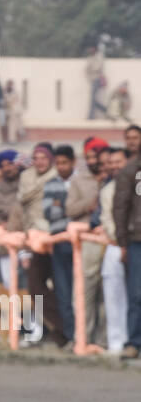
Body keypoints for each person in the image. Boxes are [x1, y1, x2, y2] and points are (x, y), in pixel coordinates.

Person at [8, 142, 62, 347]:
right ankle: (58, 326)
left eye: (44, 158)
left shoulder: (58, 179)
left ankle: (63, 330)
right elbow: (22, 207)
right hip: (32, 237)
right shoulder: (26, 179)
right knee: (34, 287)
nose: (40, 162)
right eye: (36, 158)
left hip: (55, 236)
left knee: (62, 287)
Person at [68, 138, 108, 345]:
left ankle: (103, 341)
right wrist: (89, 203)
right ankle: (82, 338)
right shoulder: (78, 180)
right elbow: (70, 210)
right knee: (84, 293)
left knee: (107, 294)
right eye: (90, 157)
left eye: (97, 156)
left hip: (110, 241)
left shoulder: (114, 177)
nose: (94, 161)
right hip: (87, 241)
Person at [43, 145, 77, 347]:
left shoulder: (81, 181)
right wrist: (71, 207)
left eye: (65, 162)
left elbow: (83, 208)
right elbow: (48, 212)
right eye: (58, 163)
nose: (61, 167)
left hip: (78, 243)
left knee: (78, 291)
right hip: (59, 242)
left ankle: (83, 334)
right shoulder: (50, 184)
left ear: (73, 162)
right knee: (63, 292)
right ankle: (71, 335)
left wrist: (61, 204)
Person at [113, 145, 141, 360]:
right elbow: (121, 207)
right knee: (136, 294)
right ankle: (134, 342)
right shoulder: (131, 171)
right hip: (137, 240)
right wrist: (123, 242)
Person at [99, 147, 128, 354]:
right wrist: (119, 240)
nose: (115, 166)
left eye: (119, 162)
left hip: (134, 245)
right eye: (112, 162)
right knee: (113, 296)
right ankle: (116, 342)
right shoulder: (107, 190)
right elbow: (107, 220)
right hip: (114, 246)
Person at [85, 46, 107, 120]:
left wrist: (91, 69)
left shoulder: (99, 57)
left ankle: (91, 116)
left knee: (92, 99)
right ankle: (105, 110)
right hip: (92, 79)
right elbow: (87, 69)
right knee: (92, 99)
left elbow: (97, 68)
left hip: (97, 80)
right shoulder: (90, 58)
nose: (91, 50)